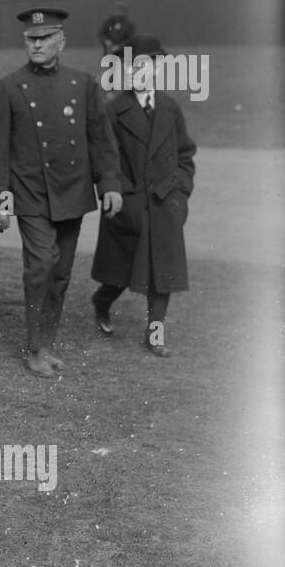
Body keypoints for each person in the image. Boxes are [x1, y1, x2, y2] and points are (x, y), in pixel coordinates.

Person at [0, 7, 122, 378]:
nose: (37, 44)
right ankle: (33, 348)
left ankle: (46, 343)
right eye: (32, 39)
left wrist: (108, 184)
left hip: (72, 193)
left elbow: (101, 139)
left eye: (45, 38)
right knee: (41, 265)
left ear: (61, 41)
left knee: (60, 272)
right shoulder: (7, 87)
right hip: (31, 194)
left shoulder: (84, 84)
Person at [90, 34, 196, 357]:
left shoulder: (169, 108)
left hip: (165, 204)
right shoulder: (114, 110)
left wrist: (179, 193)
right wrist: (120, 195)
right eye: (130, 67)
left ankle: (155, 334)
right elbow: (106, 158)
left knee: (163, 273)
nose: (137, 73)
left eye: (144, 66)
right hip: (129, 204)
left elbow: (185, 155)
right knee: (120, 272)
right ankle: (102, 301)